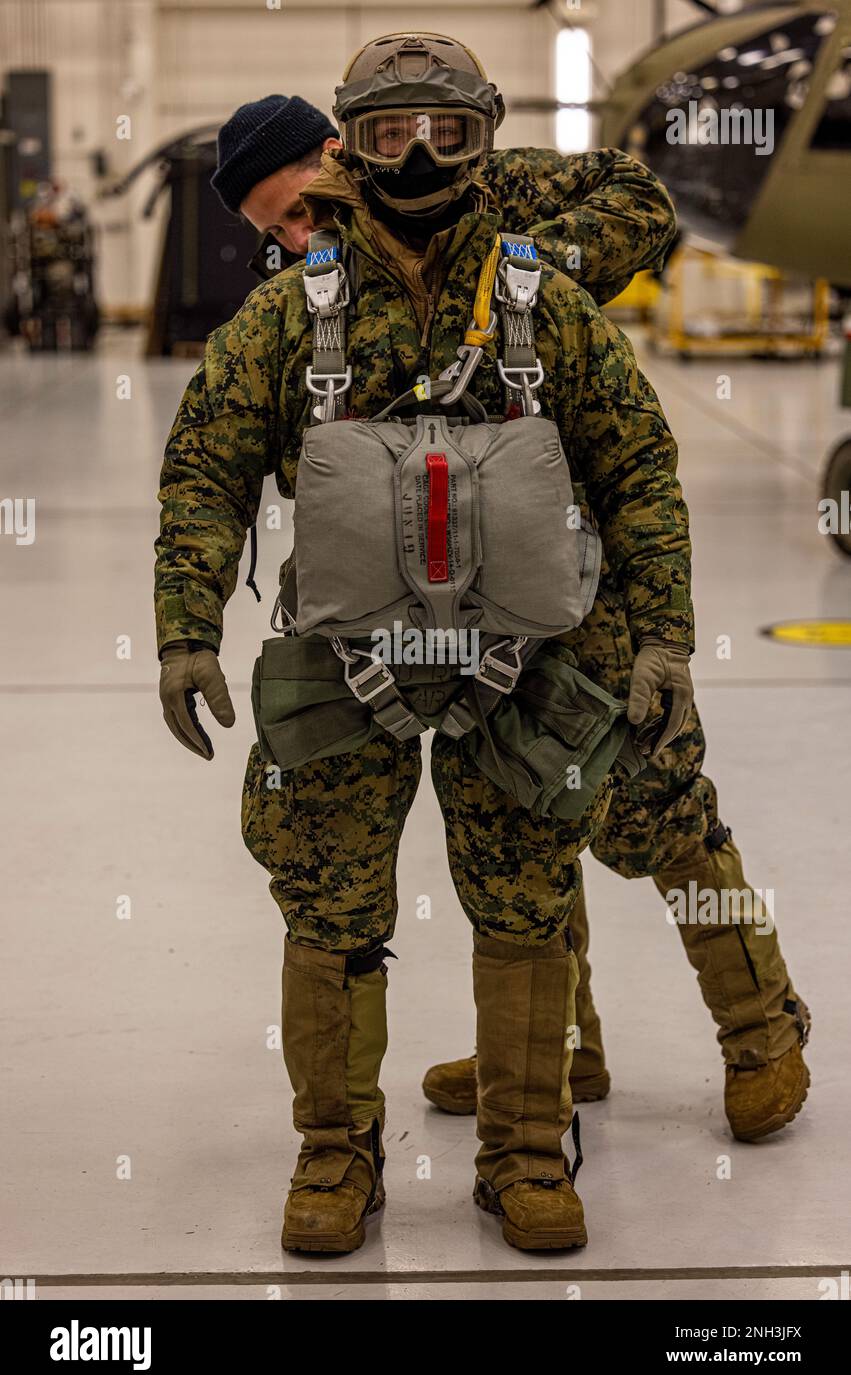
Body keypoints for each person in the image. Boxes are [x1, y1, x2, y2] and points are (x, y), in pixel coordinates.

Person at [155, 31, 696, 1253]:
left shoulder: (539, 295)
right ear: (350, 137)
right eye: (389, 131)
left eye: (444, 131)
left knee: (523, 901)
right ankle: (335, 1157)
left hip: (522, 661)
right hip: (346, 662)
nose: (415, 156)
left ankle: (520, 1157)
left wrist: (661, 635)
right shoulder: (287, 311)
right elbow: (206, 465)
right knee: (328, 911)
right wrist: (184, 629)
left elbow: (634, 464)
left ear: (482, 134)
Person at [210, 86, 810, 1140]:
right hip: (452, 597)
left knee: (651, 801)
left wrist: (517, 268)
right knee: (533, 804)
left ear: (334, 151)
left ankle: (762, 1028)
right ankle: (562, 1050)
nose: (297, 235)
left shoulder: (487, 182)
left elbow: (641, 207)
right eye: (276, 230)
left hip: (576, 567)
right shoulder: (325, 278)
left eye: (297, 205)